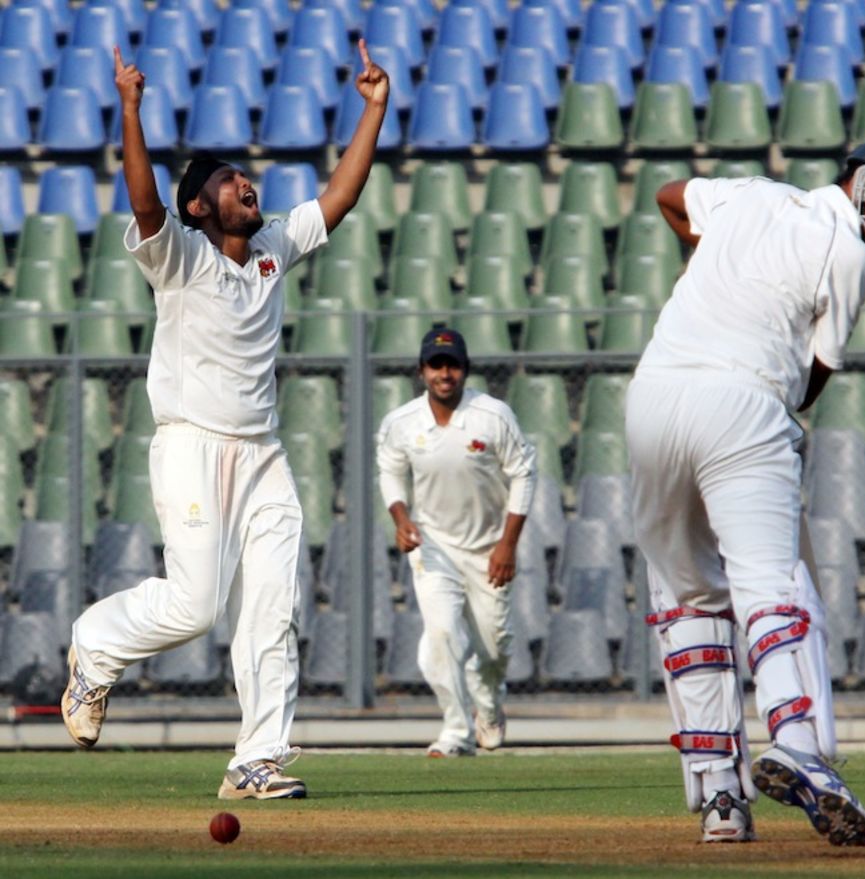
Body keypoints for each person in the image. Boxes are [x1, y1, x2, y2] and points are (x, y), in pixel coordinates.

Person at [60, 40, 391, 800]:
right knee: (195, 603)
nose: (246, 183)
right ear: (201, 208)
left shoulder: (272, 248)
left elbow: (338, 196)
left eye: (243, 176)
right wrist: (131, 110)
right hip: (191, 447)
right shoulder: (177, 256)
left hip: (263, 454)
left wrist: (372, 108)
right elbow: (146, 202)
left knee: (275, 607)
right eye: (228, 182)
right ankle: (95, 646)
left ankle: (256, 759)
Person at [626, 132, 865, 844]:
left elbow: (668, 196)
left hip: (650, 399)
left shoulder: (751, 194)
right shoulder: (850, 254)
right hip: (743, 402)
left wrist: (713, 268)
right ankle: (798, 743)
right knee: (772, 584)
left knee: (687, 596)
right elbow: (812, 377)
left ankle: (719, 796)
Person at [377, 329, 536, 757]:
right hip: (433, 546)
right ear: (421, 371)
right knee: (442, 632)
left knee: (493, 646)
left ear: (465, 369)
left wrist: (507, 545)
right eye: (436, 365)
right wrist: (401, 517)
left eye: (453, 365)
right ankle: (455, 731)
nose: (444, 374)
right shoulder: (402, 423)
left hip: (488, 549)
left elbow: (523, 473)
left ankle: (488, 706)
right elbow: (390, 471)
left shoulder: (493, 416)